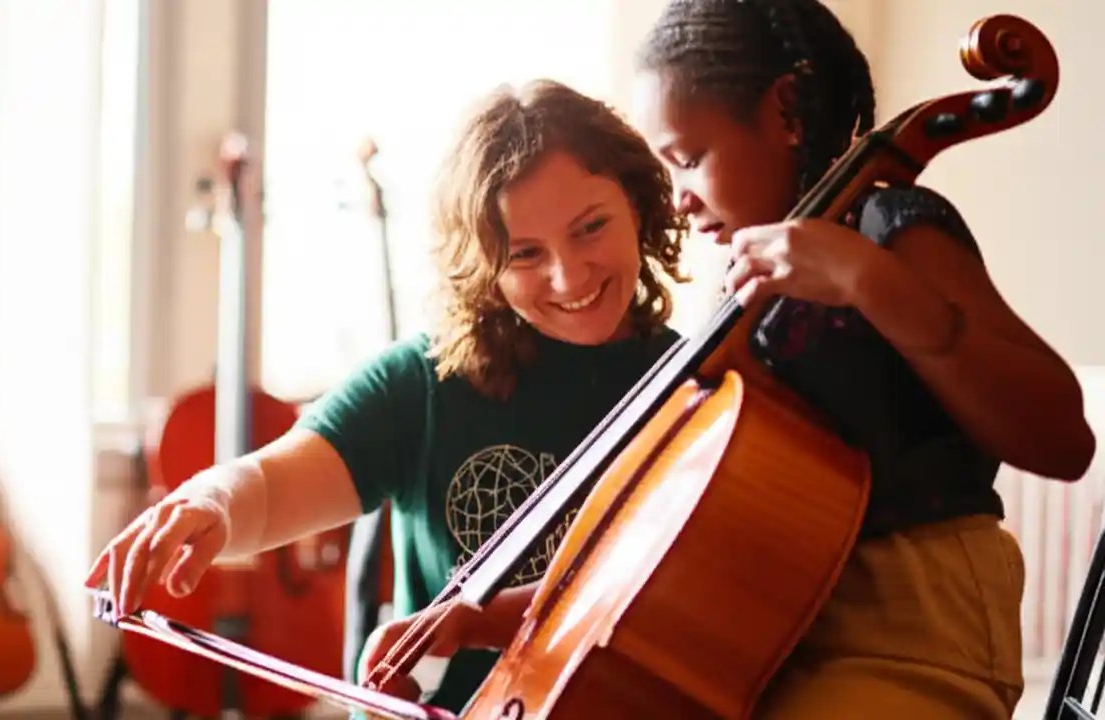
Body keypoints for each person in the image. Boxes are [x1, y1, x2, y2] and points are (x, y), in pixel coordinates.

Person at [359, 1, 1098, 718]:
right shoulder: (753, 305)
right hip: (785, 643)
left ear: (784, 114)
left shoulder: (885, 228)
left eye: (689, 159)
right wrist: (482, 618)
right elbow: (657, 561)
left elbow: (1063, 437)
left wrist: (865, 280)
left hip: (919, 637)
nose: (677, 199)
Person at [84, 78, 689, 713]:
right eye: (526, 254)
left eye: (591, 228)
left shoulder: (699, 394)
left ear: (639, 207)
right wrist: (208, 500)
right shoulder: (425, 382)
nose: (568, 275)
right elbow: (270, 488)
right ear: (484, 263)